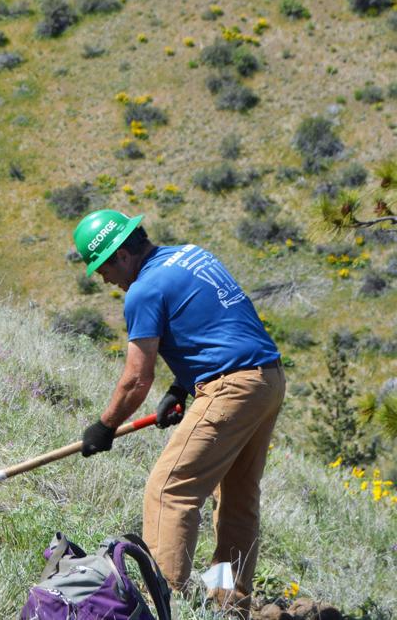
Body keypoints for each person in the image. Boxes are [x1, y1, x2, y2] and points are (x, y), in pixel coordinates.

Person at [72, 209, 285, 605]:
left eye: (103, 268)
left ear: (122, 255)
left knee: (169, 489)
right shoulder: (191, 254)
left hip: (232, 388)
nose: (104, 279)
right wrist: (180, 388)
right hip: (267, 380)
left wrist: (105, 426)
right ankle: (228, 602)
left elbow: (136, 380)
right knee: (236, 499)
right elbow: (216, 325)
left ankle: (162, 601)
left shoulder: (143, 290)